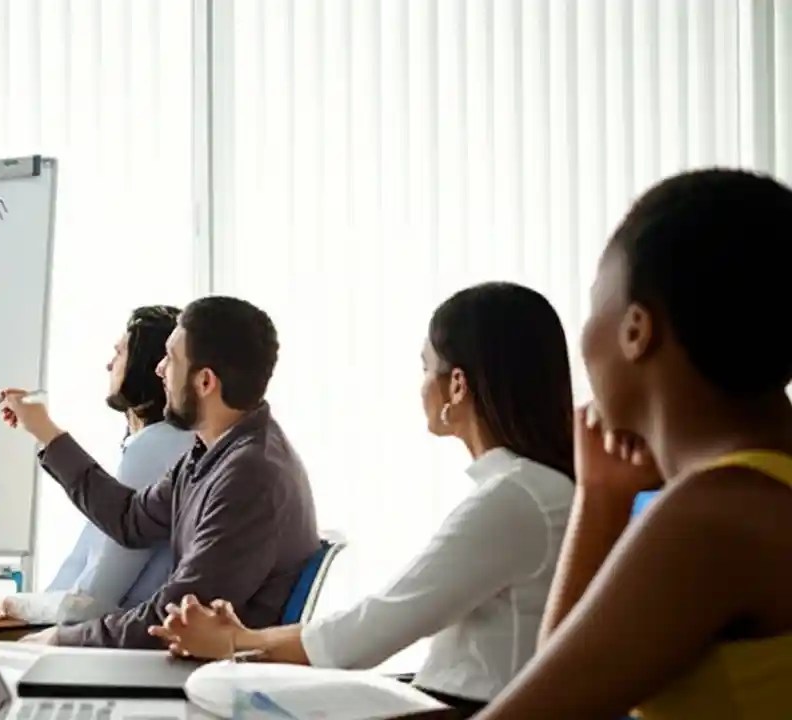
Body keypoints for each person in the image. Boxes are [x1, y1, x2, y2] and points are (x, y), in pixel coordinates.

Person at [153, 282, 576, 717]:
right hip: (446, 698)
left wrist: (234, 642)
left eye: (425, 367)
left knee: (214, 688)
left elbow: (370, 631)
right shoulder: (524, 491)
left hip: (465, 708)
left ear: (457, 387)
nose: (420, 385)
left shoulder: (514, 498)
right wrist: (240, 639)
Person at [476, 169, 792, 719]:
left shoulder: (714, 518)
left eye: (595, 301)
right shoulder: (759, 491)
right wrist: (600, 497)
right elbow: (567, 680)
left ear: (635, 330)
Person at [0, 295, 320, 648]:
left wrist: (59, 640)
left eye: (171, 359)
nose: (159, 369)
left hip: (207, 678)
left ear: (205, 382)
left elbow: (174, 620)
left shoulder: (249, 478)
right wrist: (46, 433)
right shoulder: (213, 451)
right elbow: (130, 518)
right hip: (187, 664)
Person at [0, 306, 195, 653]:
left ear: (147, 365)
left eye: (119, 352)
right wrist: (11, 607)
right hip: (85, 626)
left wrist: (13, 607)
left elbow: (93, 600)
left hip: (96, 639)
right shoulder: (162, 445)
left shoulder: (155, 448)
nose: (108, 364)